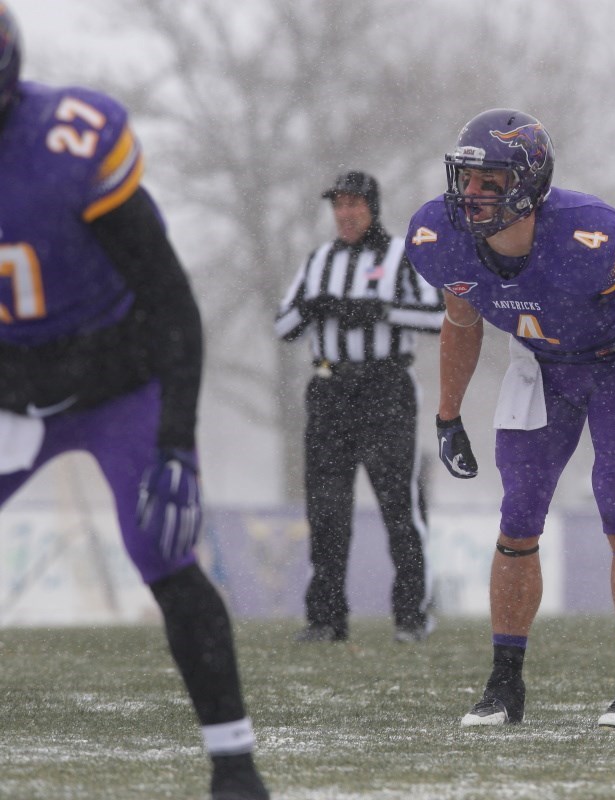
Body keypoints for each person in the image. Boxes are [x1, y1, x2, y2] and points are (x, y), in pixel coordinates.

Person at [0, 8, 268, 799]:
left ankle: (235, 765)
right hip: (10, 390)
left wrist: (178, 442)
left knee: (164, 551)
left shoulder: (67, 146)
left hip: (118, 379)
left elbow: (171, 298)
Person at [403, 108, 615, 730]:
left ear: (528, 184)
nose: (470, 195)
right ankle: (504, 686)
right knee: (519, 513)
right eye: (466, 179)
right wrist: (448, 415)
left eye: (489, 182)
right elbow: (462, 318)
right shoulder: (439, 236)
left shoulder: (590, 233)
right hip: (542, 365)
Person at [276, 170, 444, 644]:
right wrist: (313, 307)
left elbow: (438, 315)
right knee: (326, 509)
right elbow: (284, 325)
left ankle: (412, 616)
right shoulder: (318, 261)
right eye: (338, 206)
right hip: (330, 388)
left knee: (399, 505)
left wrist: (378, 310)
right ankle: (326, 618)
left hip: (386, 386)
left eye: (354, 205)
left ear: (372, 208)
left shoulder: (402, 256)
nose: (345, 215)